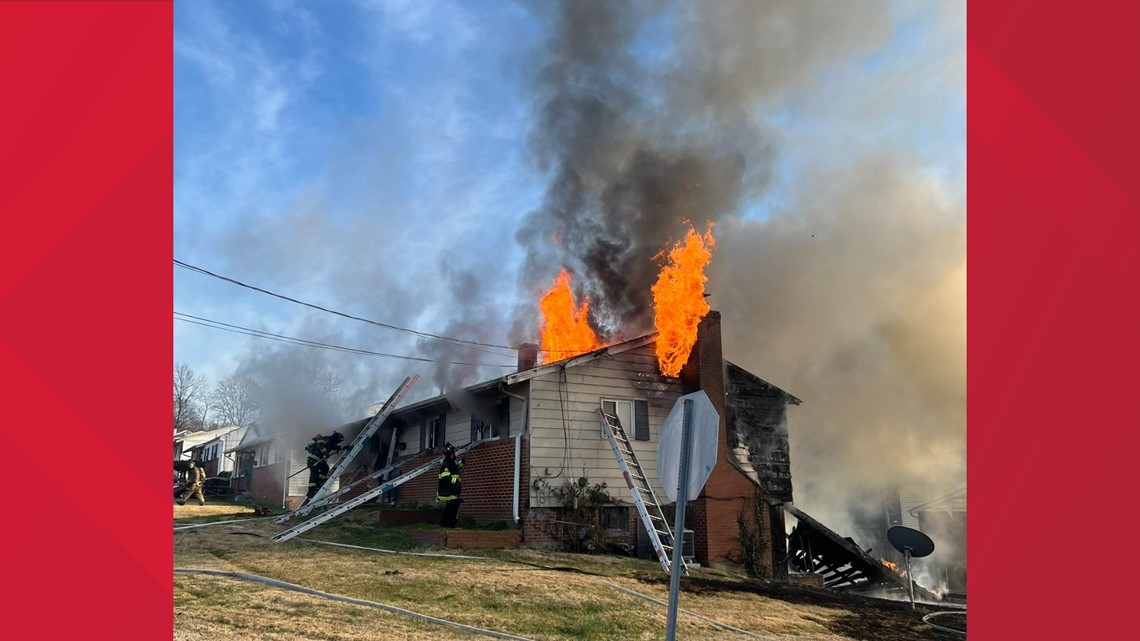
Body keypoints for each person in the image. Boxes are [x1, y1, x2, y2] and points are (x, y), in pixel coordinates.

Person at [305, 431, 345, 500]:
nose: (338, 442)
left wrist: (344, 447)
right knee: (314, 474)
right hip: (313, 459)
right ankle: (310, 493)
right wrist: (326, 453)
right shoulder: (326, 439)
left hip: (319, 460)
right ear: (336, 438)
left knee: (325, 468)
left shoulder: (330, 442)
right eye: (338, 441)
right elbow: (320, 445)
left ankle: (318, 484)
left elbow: (334, 447)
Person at [437, 443, 465, 528]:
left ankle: (443, 523)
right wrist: (456, 480)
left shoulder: (452, 462)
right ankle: (450, 525)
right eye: (453, 453)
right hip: (449, 490)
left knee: (450, 507)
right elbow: (446, 477)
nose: (454, 454)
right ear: (450, 454)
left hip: (453, 490)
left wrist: (462, 462)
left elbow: (457, 467)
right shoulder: (446, 464)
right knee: (453, 507)